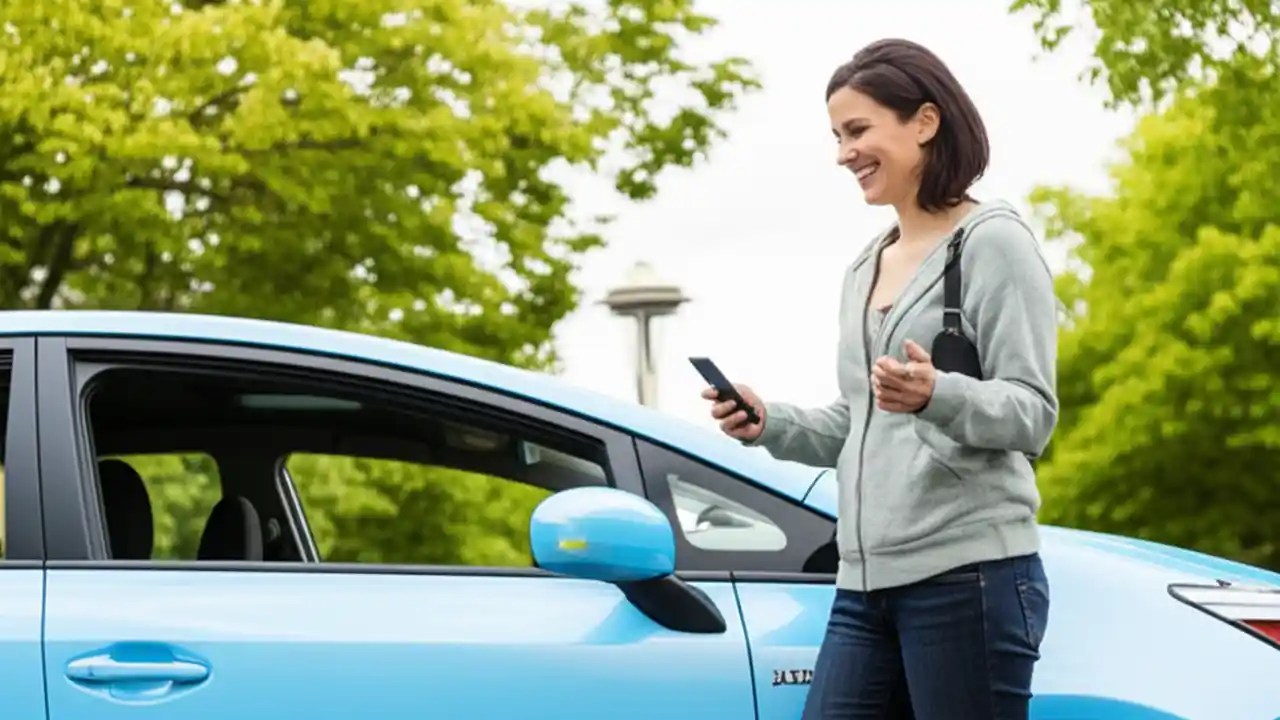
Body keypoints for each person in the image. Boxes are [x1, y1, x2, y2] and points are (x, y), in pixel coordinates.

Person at [702, 38, 1059, 719]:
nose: (843, 153)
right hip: (864, 585)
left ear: (924, 123)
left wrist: (938, 394)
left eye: (858, 130)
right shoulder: (867, 265)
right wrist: (767, 420)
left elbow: (1033, 411)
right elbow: (859, 419)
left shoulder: (995, 244)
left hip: (968, 577)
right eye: (837, 136)